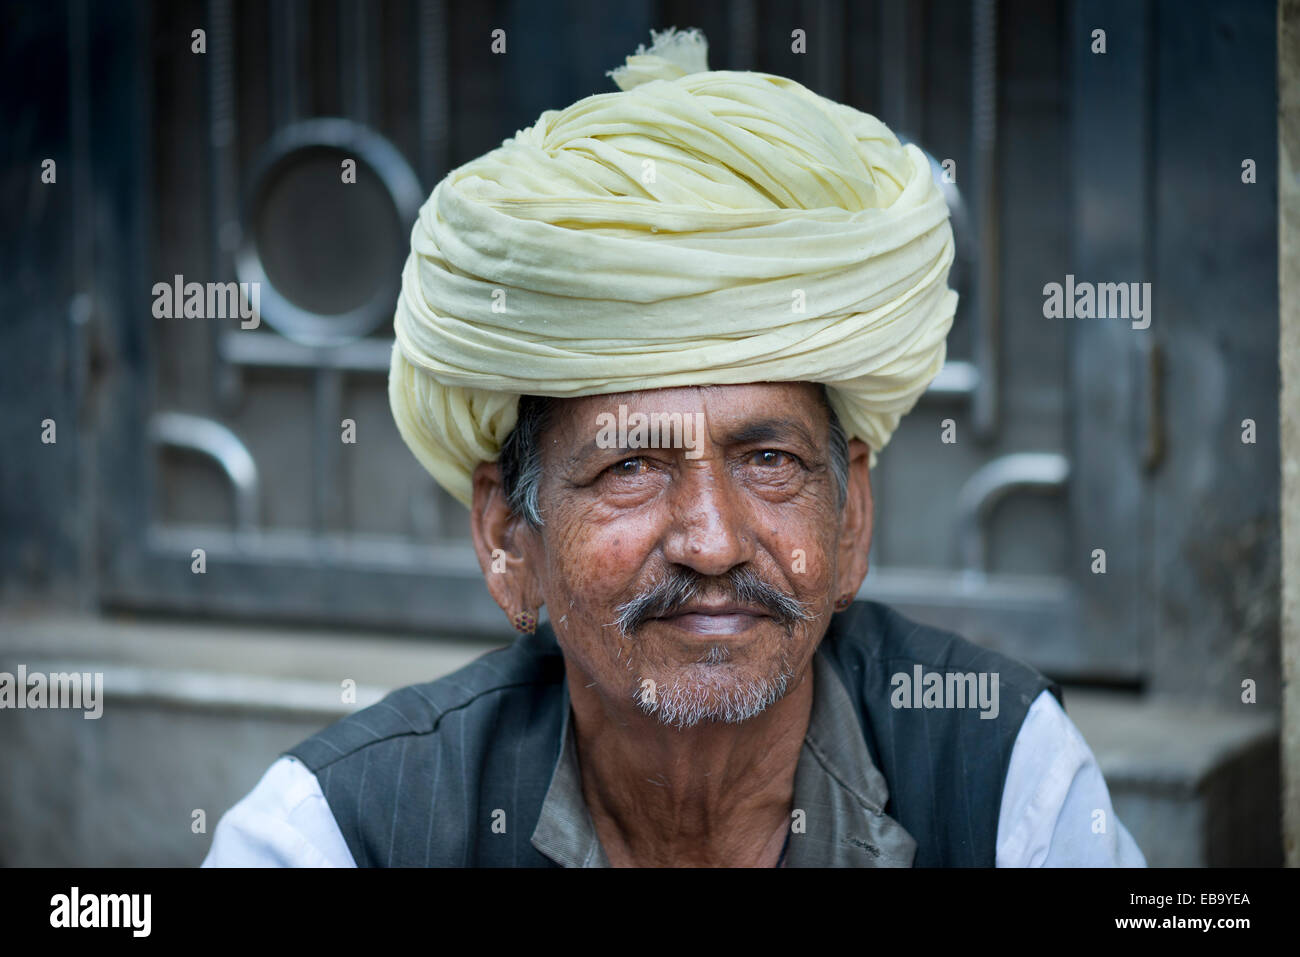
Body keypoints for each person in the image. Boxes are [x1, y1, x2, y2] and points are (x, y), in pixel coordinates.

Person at [204, 27, 1143, 868]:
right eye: (631, 466)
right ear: (507, 539)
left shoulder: (1003, 772)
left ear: (853, 516)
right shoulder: (340, 833)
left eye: (769, 461)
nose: (713, 541)